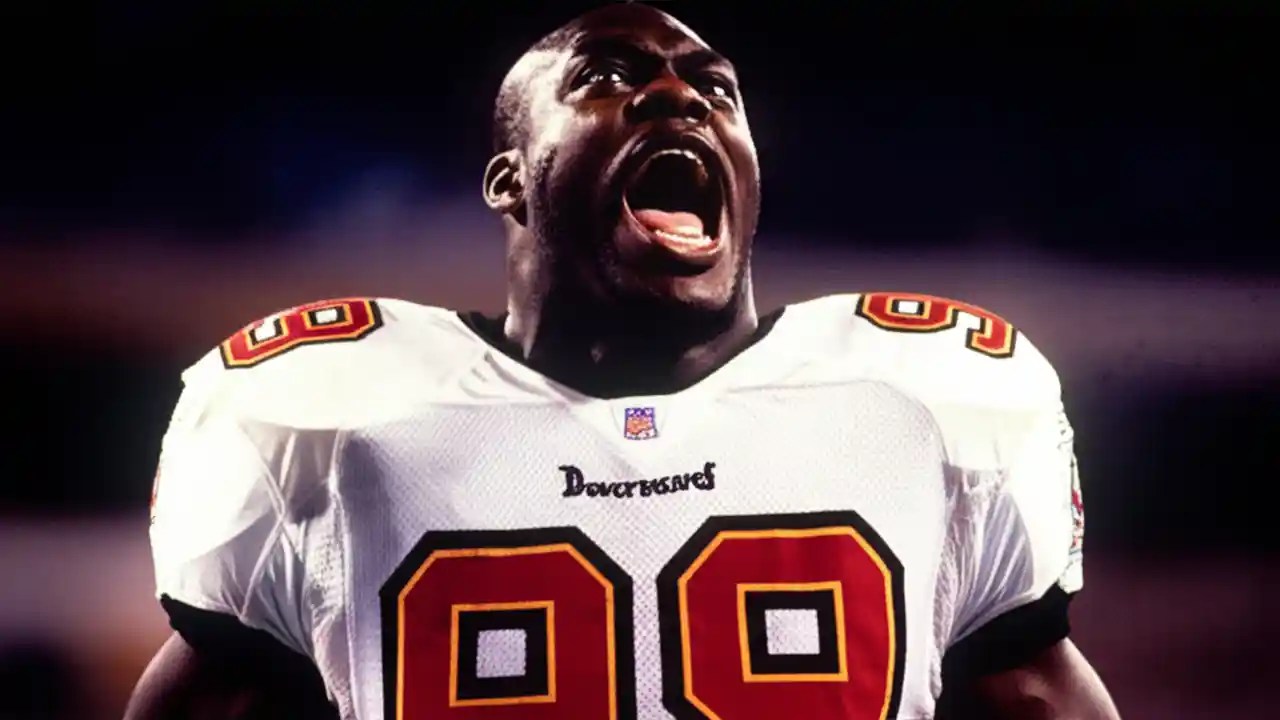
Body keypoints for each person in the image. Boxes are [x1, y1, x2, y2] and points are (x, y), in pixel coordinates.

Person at [125, 3, 1121, 719]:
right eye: (605, 77)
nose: (674, 97)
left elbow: (1031, 685)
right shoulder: (324, 411)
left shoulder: (922, 395)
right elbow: (211, 692)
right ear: (508, 178)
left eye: (714, 90)